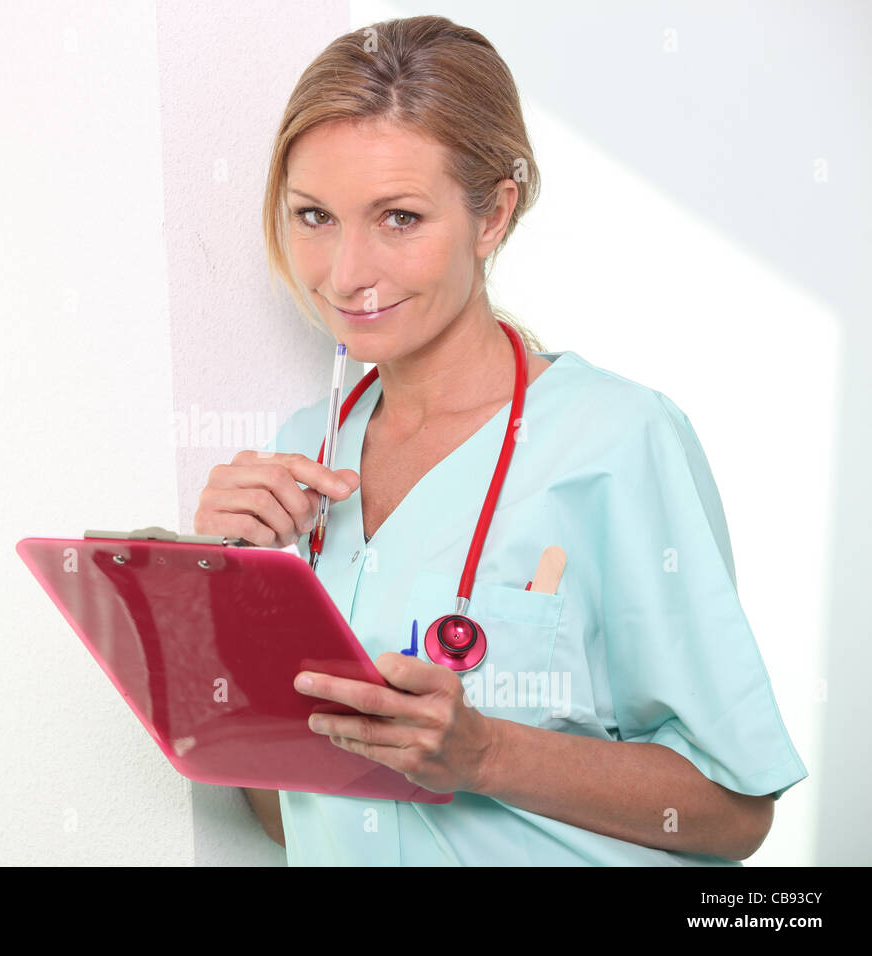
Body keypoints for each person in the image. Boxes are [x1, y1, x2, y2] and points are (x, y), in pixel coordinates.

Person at [193, 15, 806, 865]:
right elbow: (291, 814)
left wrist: (486, 754)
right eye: (314, 216)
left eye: (400, 217)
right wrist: (216, 599)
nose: (344, 273)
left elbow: (736, 812)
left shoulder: (619, 440)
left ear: (494, 215)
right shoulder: (303, 452)